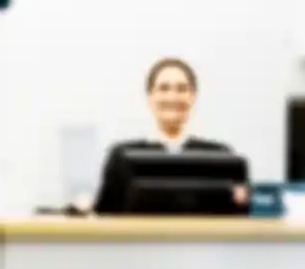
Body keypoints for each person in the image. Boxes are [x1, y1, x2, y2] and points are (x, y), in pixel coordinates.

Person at [91, 58, 246, 214]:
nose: (173, 97)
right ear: (150, 97)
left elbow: (241, 214)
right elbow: (104, 216)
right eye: (164, 88)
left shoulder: (219, 155)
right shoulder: (121, 157)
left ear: (192, 97)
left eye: (182, 89)